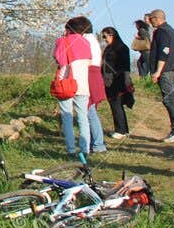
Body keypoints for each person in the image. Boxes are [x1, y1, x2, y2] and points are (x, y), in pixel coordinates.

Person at [52, 16, 94, 157]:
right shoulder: (86, 42)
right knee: (83, 117)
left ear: (68, 29)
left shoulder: (62, 41)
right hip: (83, 84)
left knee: (67, 117)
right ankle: (85, 149)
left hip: (66, 83)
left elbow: (59, 59)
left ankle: (70, 149)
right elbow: (89, 62)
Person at [145, 9, 174, 142]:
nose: (150, 22)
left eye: (151, 19)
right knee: (169, 99)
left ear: (157, 18)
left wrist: (157, 71)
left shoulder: (162, 32)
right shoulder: (169, 30)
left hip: (166, 70)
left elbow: (164, 52)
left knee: (169, 99)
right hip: (169, 69)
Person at [99, 26, 134, 137]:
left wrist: (125, 80)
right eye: (102, 37)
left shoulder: (122, 48)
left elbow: (125, 66)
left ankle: (121, 130)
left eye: (105, 36)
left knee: (117, 104)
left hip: (117, 79)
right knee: (114, 104)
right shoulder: (109, 48)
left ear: (111, 35)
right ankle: (123, 129)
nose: (104, 39)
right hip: (108, 79)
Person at [83, 21, 109, 153]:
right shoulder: (92, 40)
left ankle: (98, 144)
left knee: (90, 112)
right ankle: (96, 143)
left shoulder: (86, 41)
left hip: (90, 76)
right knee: (90, 112)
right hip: (94, 75)